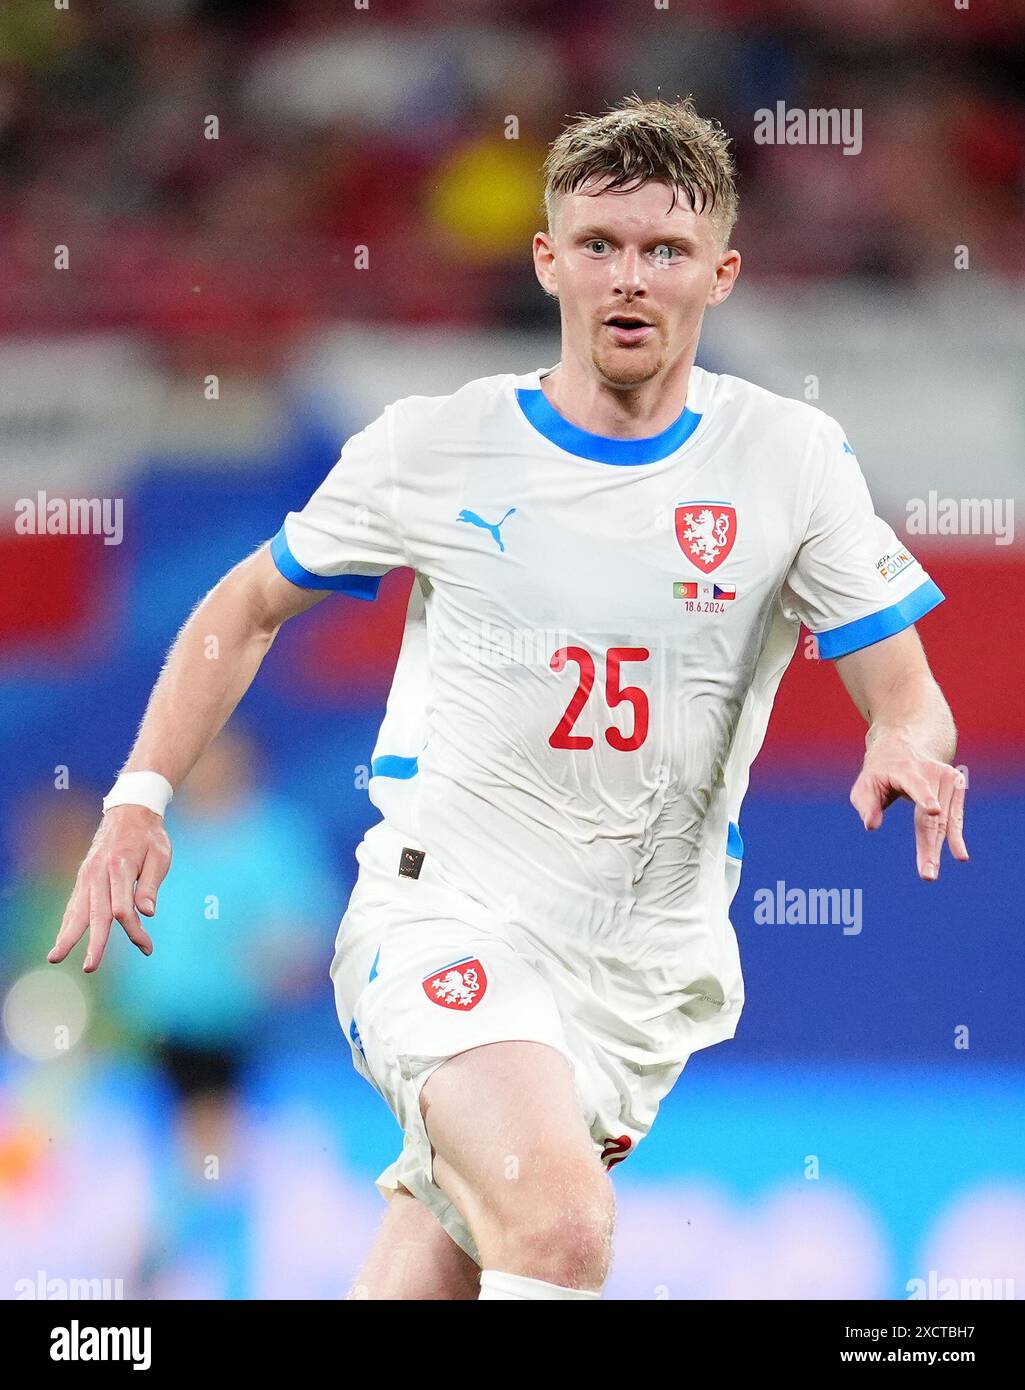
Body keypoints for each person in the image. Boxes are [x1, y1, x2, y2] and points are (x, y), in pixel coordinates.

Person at [48, 95, 968, 1301]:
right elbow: (241, 607)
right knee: (559, 1224)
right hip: (447, 916)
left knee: (455, 1254)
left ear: (720, 274)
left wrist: (905, 745)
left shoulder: (787, 460)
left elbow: (907, 694)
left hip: (643, 967)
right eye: (597, 246)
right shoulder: (440, 444)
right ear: (547, 259)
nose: (627, 279)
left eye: (662, 252)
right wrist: (138, 796)